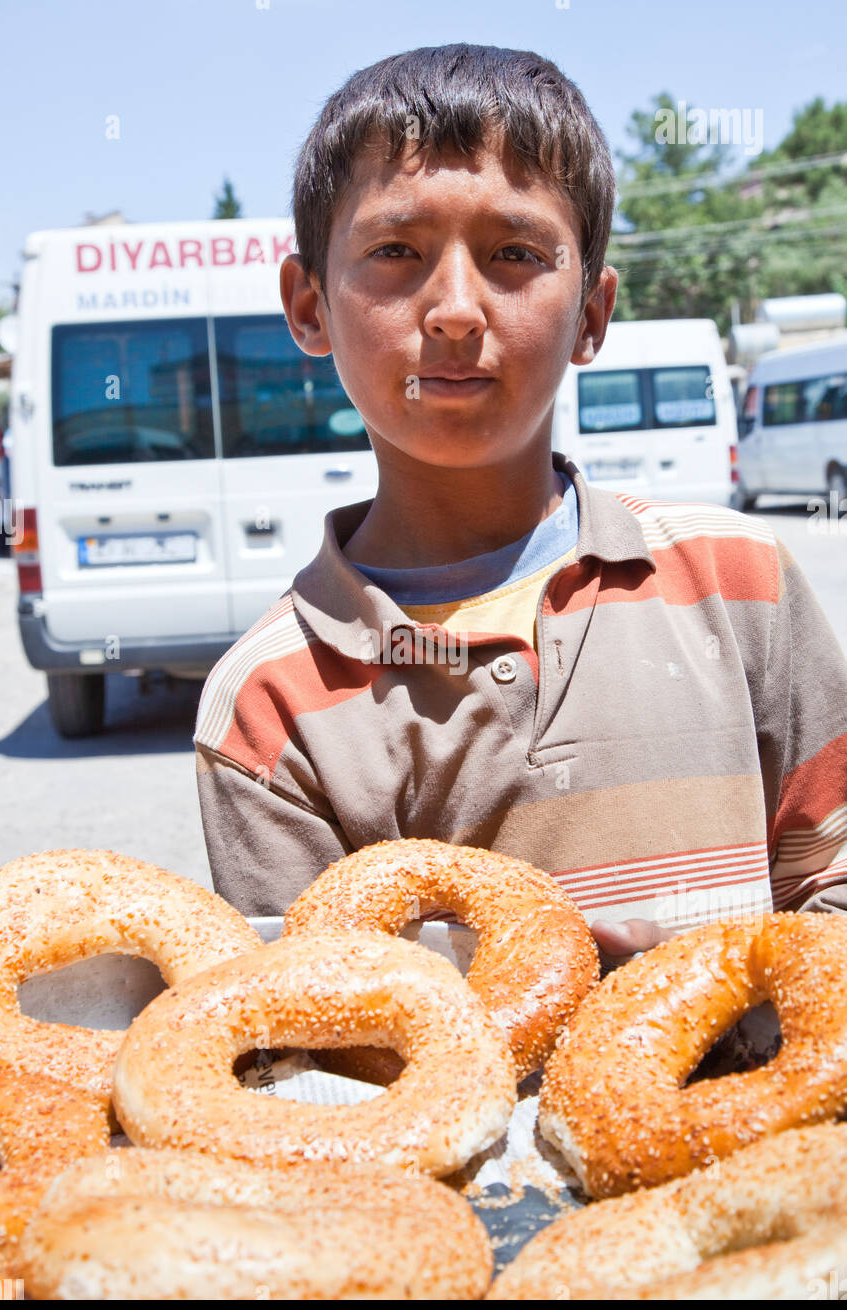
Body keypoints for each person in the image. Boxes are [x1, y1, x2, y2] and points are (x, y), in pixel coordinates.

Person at [194, 44, 847, 960]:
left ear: (591, 311)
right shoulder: (271, 708)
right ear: (308, 306)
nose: (456, 309)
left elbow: (831, 885)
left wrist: (720, 1006)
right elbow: (309, 1048)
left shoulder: (741, 589)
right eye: (394, 251)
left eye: (514, 253)